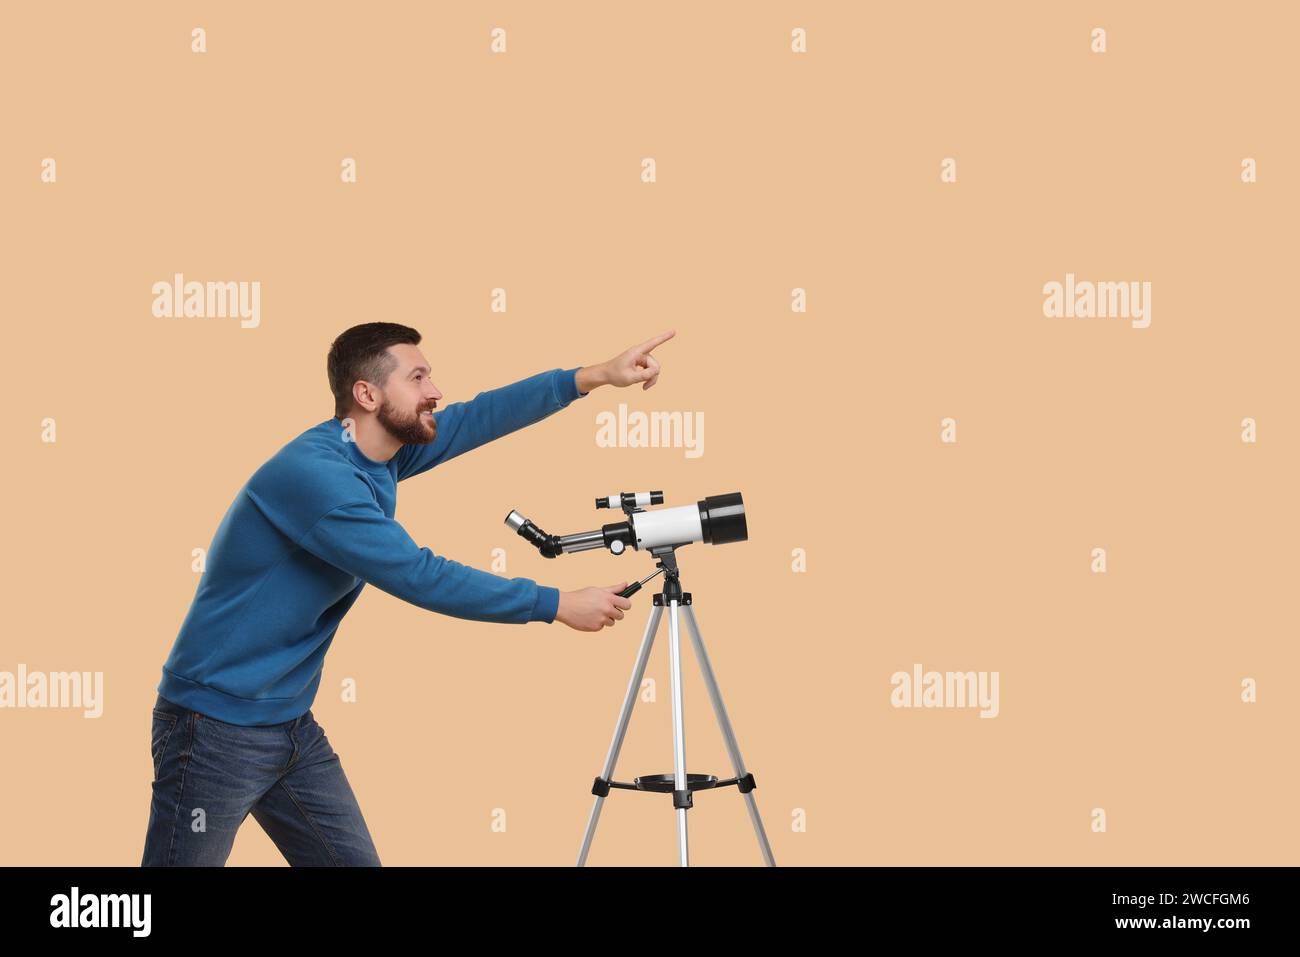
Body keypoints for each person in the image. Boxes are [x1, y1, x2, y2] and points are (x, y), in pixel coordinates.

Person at [141, 322, 675, 866]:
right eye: (417, 377)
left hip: (288, 724)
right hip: (213, 729)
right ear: (367, 394)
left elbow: (478, 418)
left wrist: (596, 376)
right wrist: (554, 604)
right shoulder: (318, 479)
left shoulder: (376, 453)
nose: (435, 391)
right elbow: (420, 576)